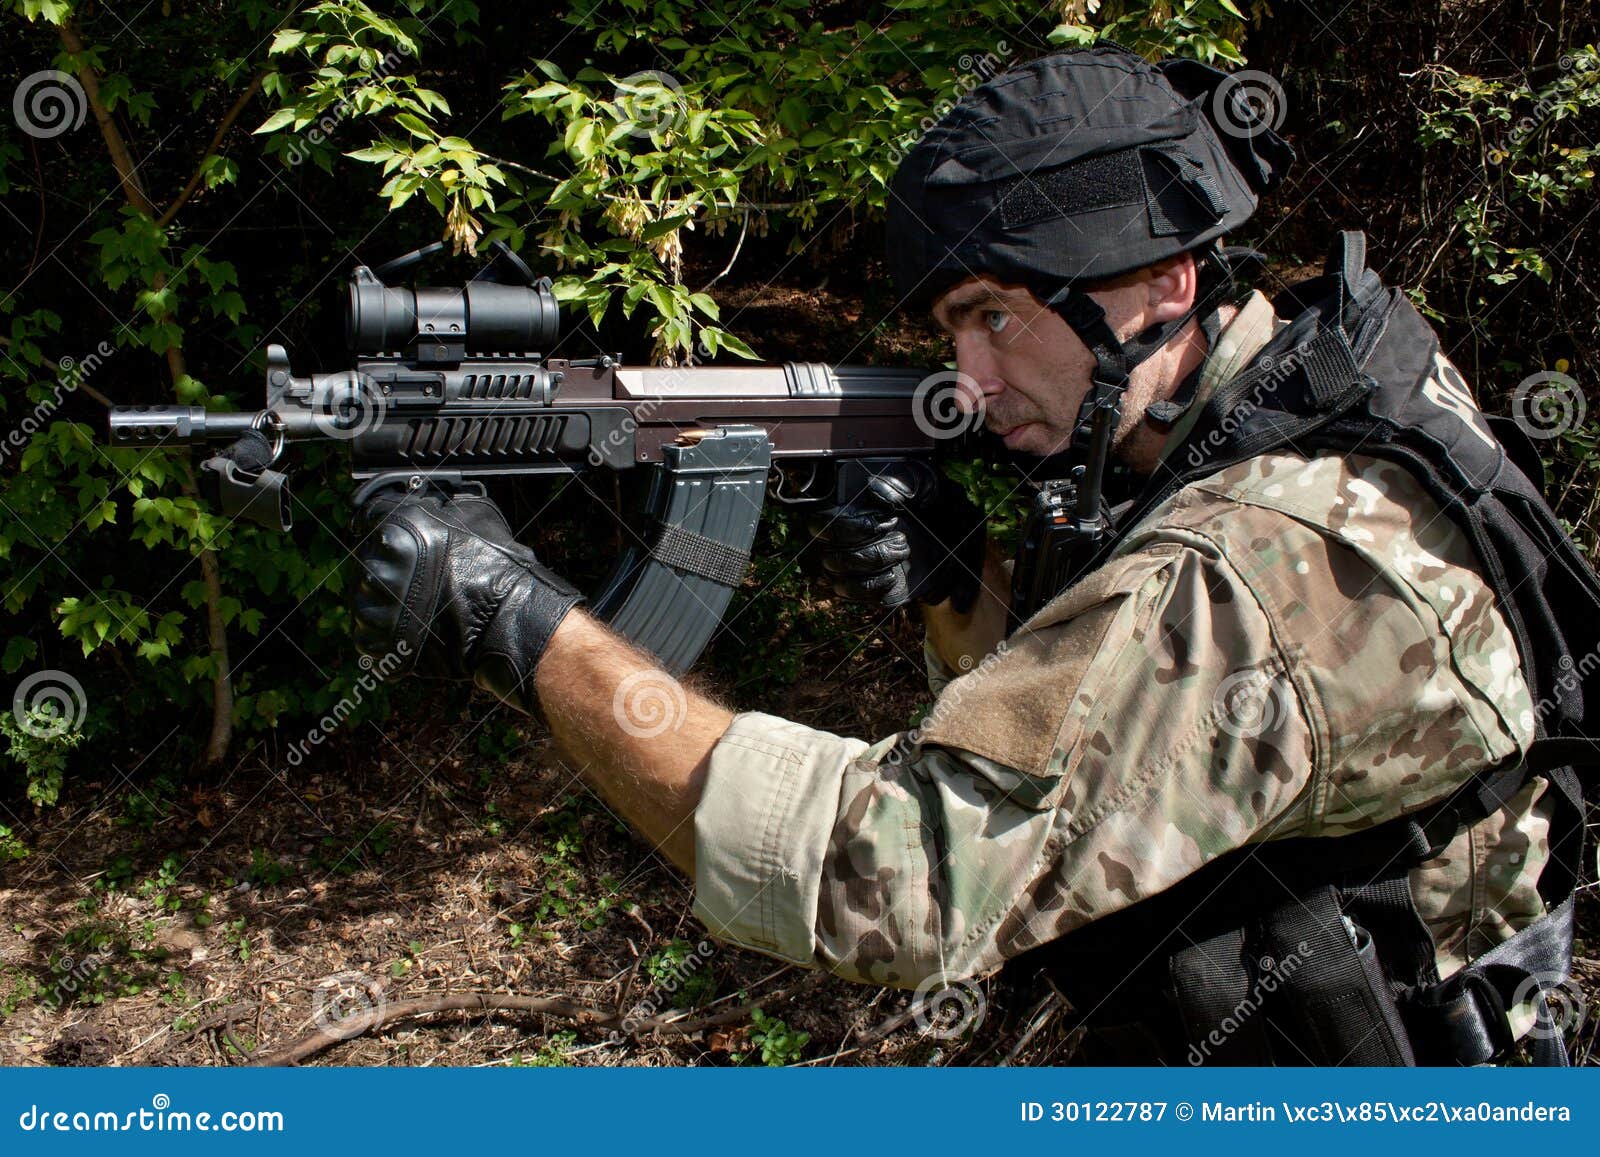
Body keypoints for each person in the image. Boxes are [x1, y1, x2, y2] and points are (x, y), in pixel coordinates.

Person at [349, 44, 1597, 1065]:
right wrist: (959, 585)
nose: (968, 381)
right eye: (954, 329)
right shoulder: (1333, 382)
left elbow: (888, 881)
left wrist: (517, 617)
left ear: (1164, 282)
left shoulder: (1258, 570)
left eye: (997, 315)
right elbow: (1108, 739)